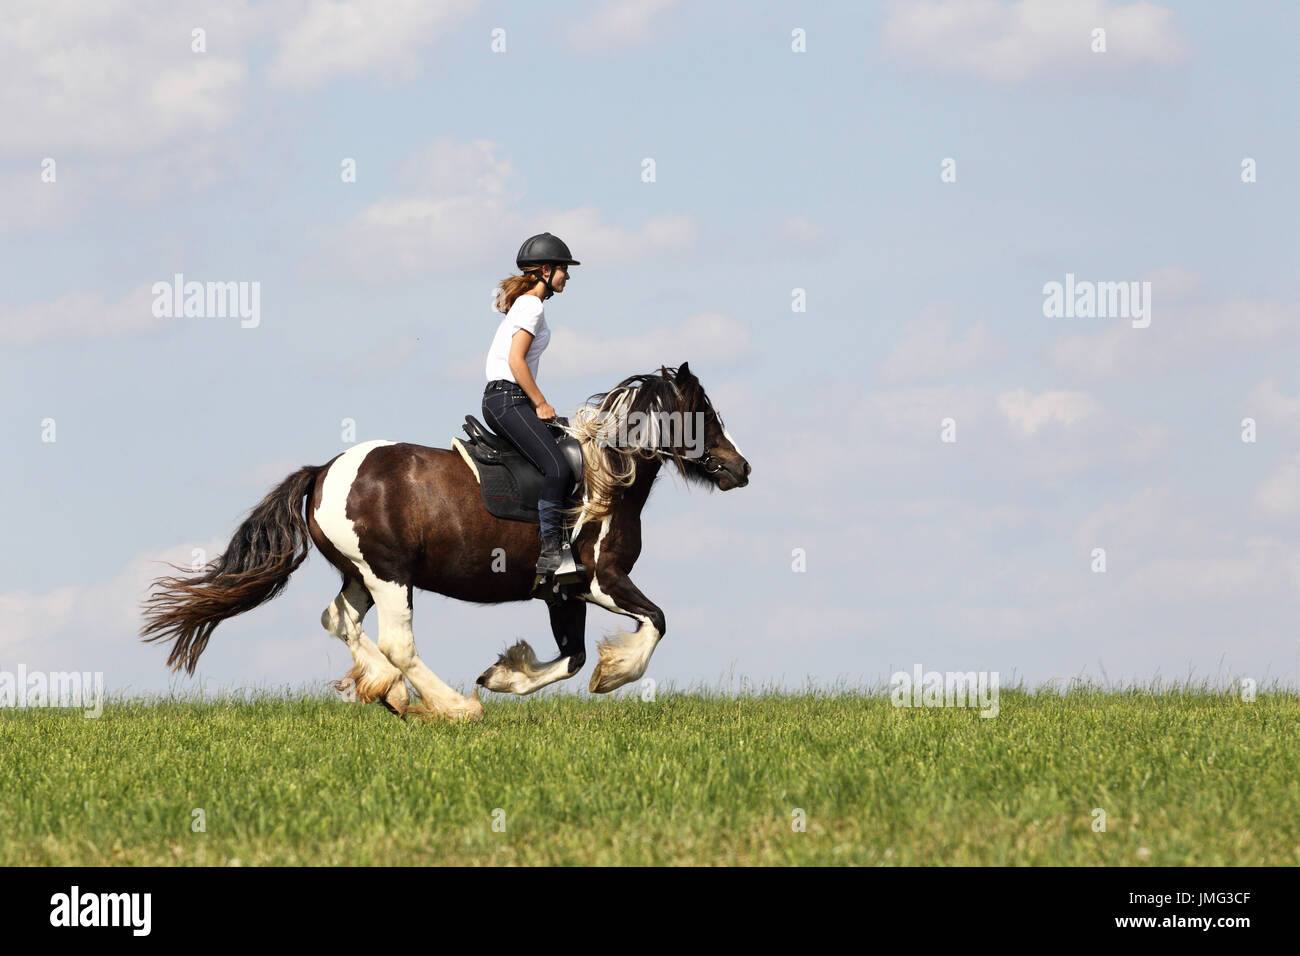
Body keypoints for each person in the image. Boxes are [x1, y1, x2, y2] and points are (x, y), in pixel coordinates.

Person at [483, 232, 586, 578]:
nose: (567, 276)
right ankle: (551, 553)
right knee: (558, 468)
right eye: (563, 270)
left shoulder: (526, 304)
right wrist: (540, 403)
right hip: (508, 398)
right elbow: (516, 361)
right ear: (546, 270)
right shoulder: (531, 305)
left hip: (507, 398)